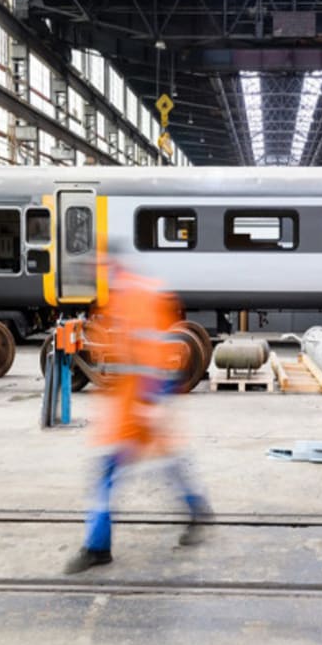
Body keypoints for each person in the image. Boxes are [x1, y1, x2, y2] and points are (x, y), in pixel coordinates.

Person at [64, 245, 211, 574]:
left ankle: (97, 547)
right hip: (135, 403)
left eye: (97, 266)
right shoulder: (124, 295)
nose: (92, 273)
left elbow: (155, 354)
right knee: (167, 463)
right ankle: (197, 509)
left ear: (110, 263)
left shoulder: (134, 296)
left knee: (108, 473)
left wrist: (150, 403)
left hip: (142, 403)